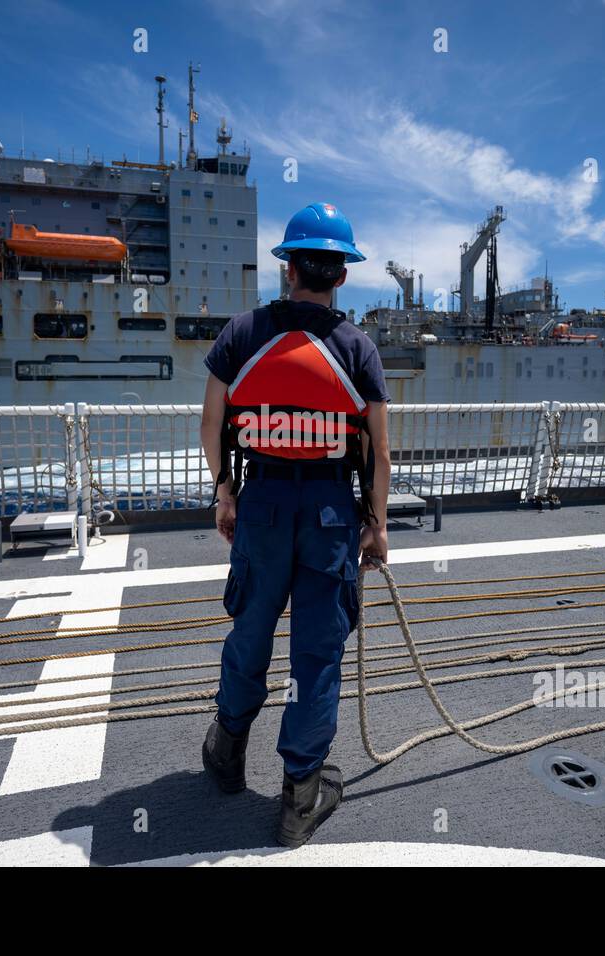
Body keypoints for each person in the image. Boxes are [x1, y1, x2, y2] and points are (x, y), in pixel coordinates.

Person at [199, 202, 391, 848]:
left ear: (288, 268)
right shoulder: (356, 347)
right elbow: (381, 453)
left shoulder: (241, 333)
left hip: (263, 504)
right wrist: (378, 527)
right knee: (316, 656)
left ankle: (225, 755)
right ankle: (300, 798)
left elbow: (211, 427)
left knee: (250, 630)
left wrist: (226, 493)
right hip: (332, 514)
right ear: (340, 275)